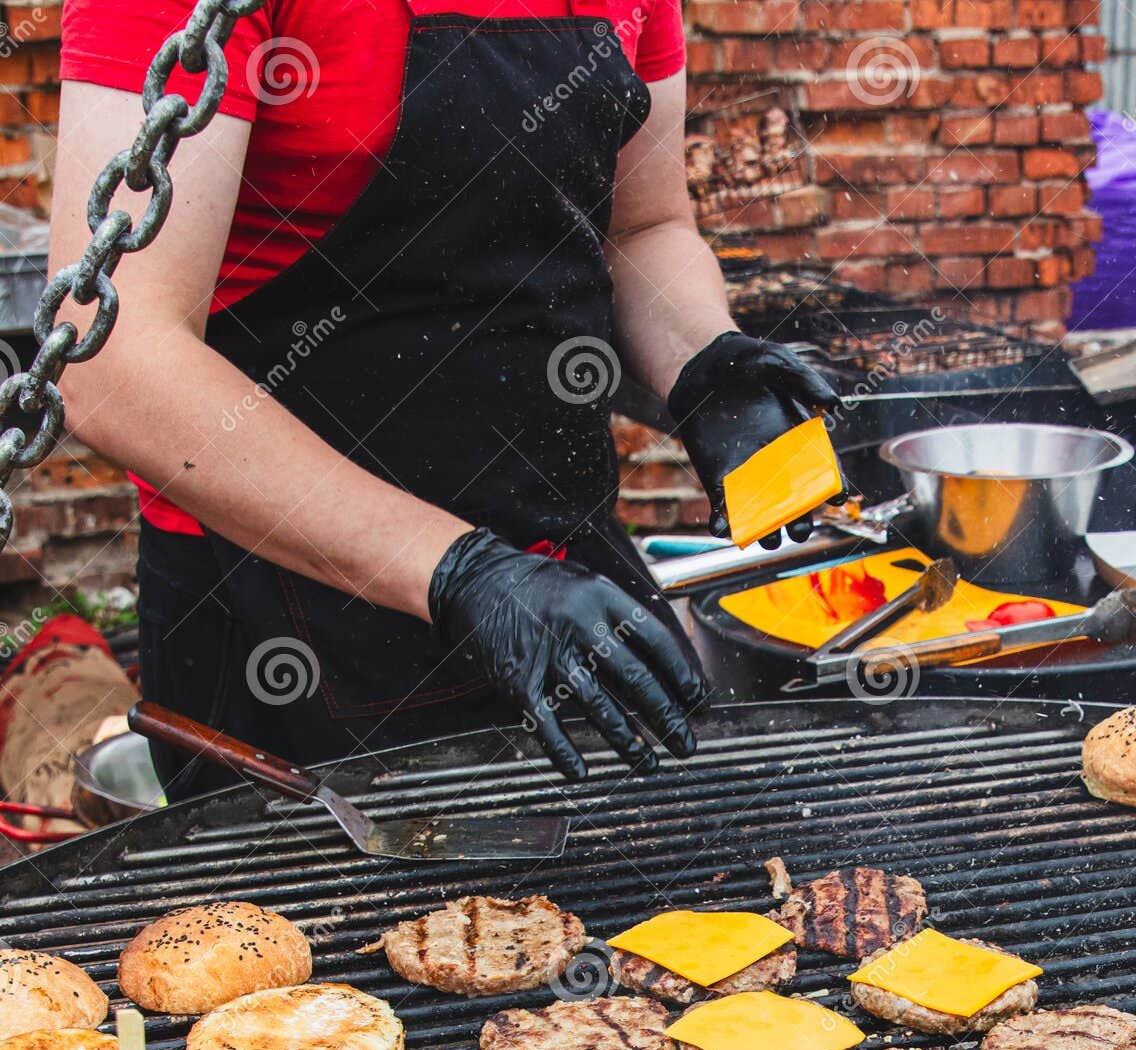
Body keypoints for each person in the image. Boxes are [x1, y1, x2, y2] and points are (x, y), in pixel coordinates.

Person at [51, 0, 840, 793]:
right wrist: (457, 571)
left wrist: (705, 361)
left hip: (561, 580)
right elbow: (112, 360)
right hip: (285, 618)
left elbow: (646, 226)